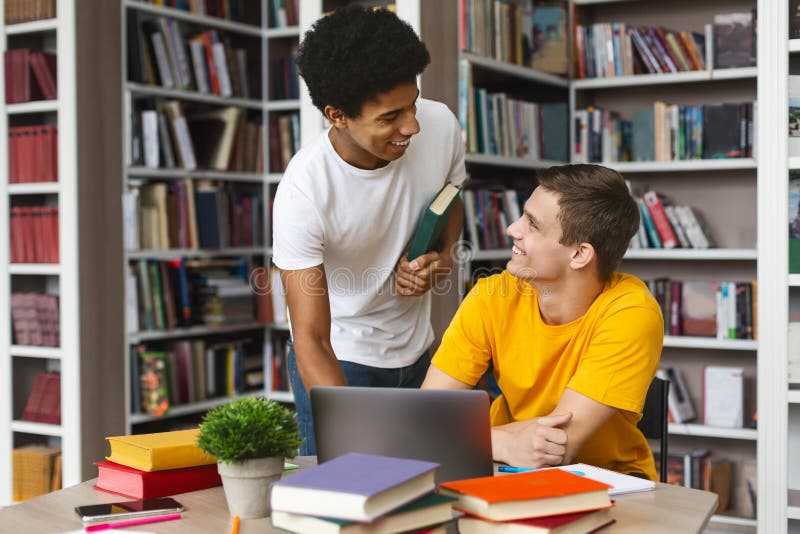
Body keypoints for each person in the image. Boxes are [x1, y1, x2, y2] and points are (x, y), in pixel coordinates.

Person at [272, 5, 466, 455]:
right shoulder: (305, 190)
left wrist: (440, 257)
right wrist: (352, 431)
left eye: (413, 105)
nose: (412, 126)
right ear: (338, 115)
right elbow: (312, 339)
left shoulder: (439, 125)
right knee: (344, 503)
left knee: (428, 501)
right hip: (341, 362)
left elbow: (450, 199)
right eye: (390, 117)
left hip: (422, 355)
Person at [422, 164, 663, 480]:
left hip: (609, 481)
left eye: (532, 225)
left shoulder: (631, 312)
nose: (512, 228)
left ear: (579, 254)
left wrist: (481, 437)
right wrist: (505, 441)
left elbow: (557, 447)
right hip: (504, 466)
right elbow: (425, 417)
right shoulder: (490, 296)